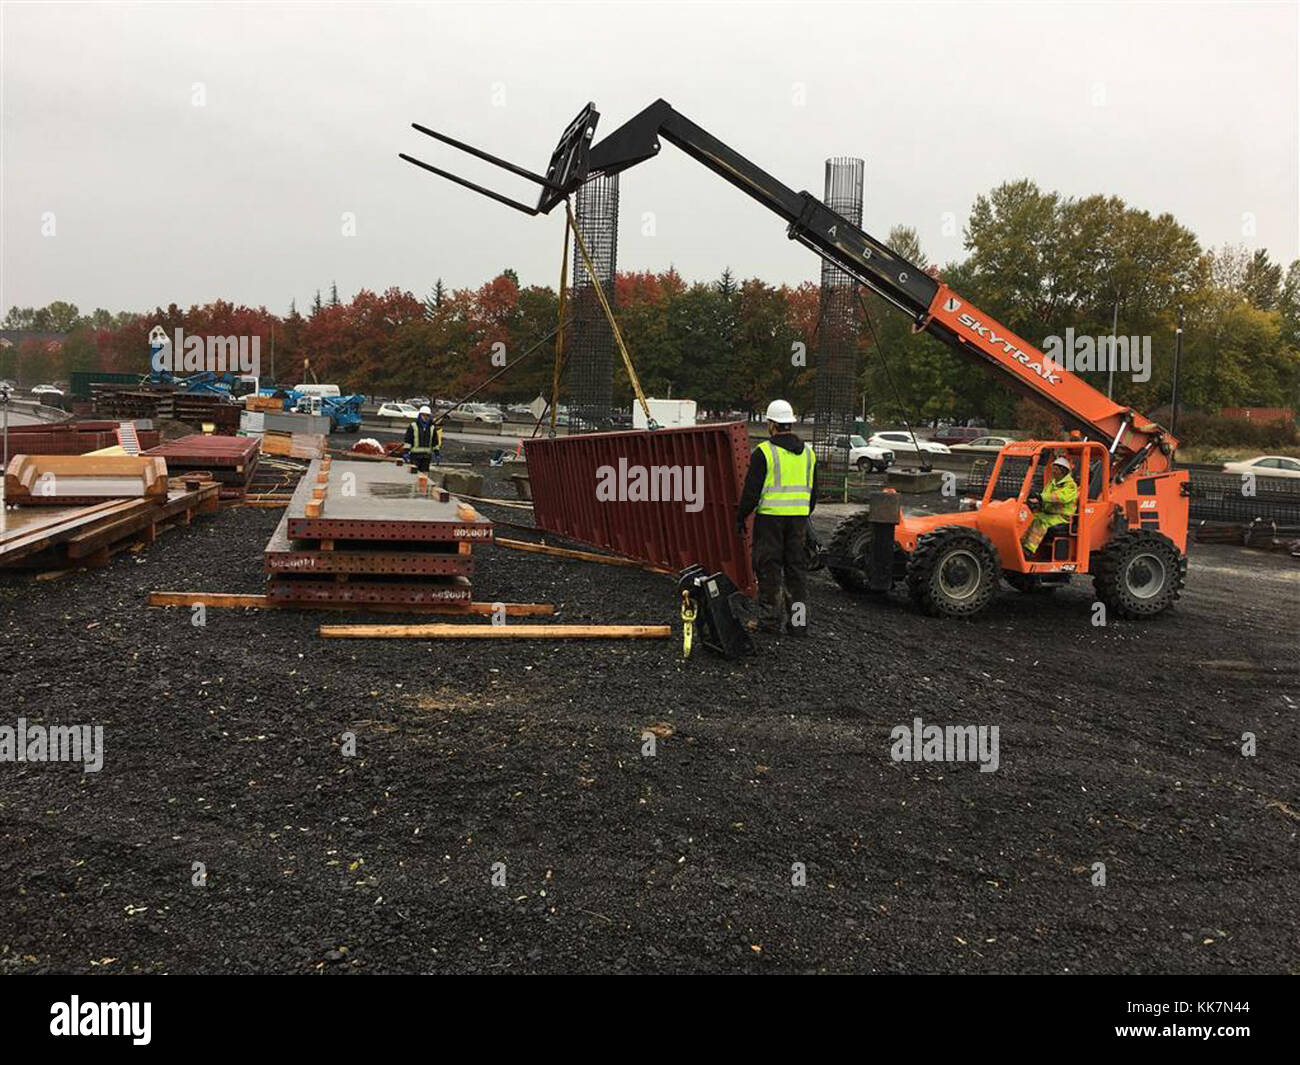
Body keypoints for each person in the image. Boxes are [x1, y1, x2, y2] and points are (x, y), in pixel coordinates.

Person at [735, 399, 818, 636]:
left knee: (768, 569)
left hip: (770, 520)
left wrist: (741, 517)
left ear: (771, 424)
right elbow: (814, 493)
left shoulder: (764, 452)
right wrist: (802, 513)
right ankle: (799, 624)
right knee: (796, 572)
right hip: (798, 520)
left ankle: (770, 622)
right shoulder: (809, 454)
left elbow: (751, 491)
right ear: (790, 423)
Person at [1022, 455, 1078, 555]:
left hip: (1062, 517)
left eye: (1056, 469)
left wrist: (1041, 497)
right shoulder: (1052, 483)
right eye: (1053, 469)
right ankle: (1021, 544)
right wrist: (1036, 501)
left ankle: (1028, 550)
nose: (1053, 471)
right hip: (1049, 513)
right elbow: (1045, 495)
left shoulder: (1070, 485)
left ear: (1063, 471)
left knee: (1041, 521)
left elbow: (1061, 497)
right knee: (1028, 518)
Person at [403, 405, 442, 472]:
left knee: (424, 475)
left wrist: (437, 453)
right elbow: (408, 440)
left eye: (427, 415)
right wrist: (406, 452)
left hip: (426, 456)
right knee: (414, 473)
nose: (425, 417)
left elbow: (435, 442)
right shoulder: (413, 426)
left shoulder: (432, 427)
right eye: (423, 415)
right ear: (420, 415)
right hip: (415, 455)